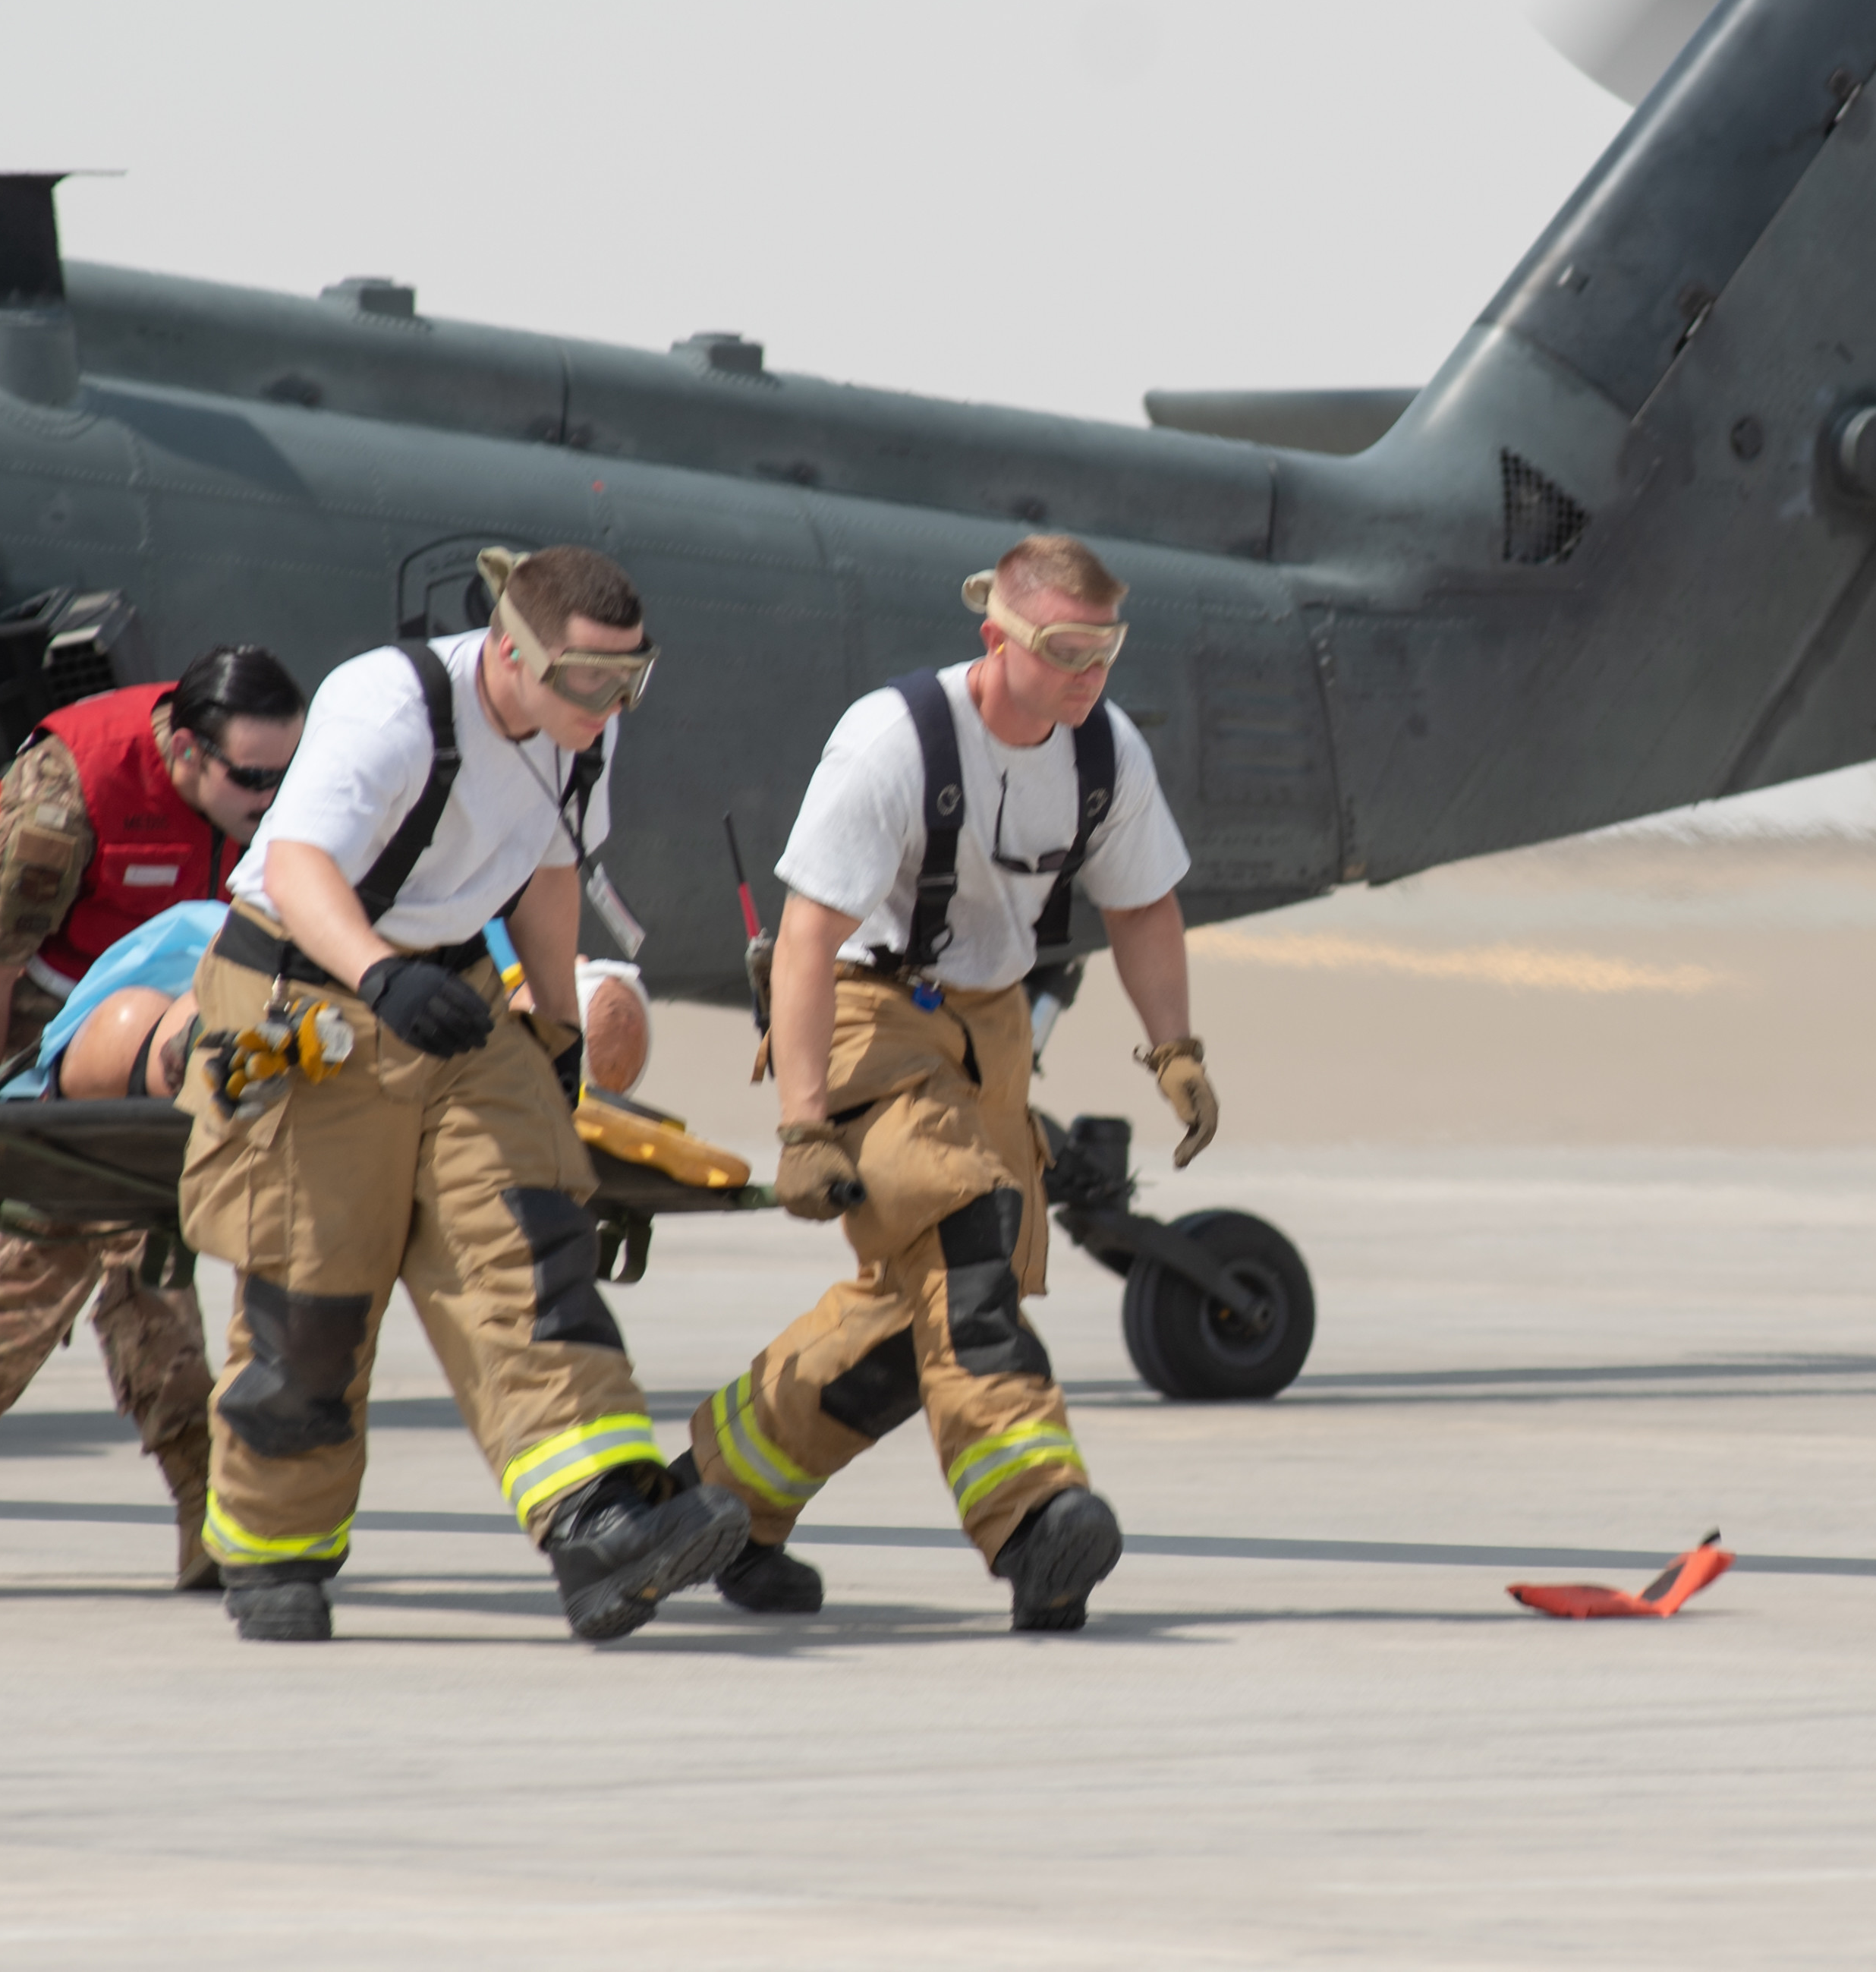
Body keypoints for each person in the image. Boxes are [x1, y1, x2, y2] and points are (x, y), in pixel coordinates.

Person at [175, 543, 748, 1643]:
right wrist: (378, 976)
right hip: (308, 995)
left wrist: (560, 1031)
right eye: (588, 678)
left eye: (629, 679)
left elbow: (547, 866)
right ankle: (271, 1549)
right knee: (312, 1299)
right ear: (510, 650)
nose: (609, 702)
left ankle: (598, 1522)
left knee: (530, 1249)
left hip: (457, 995)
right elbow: (297, 868)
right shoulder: (388, 706)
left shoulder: (585, 724)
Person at [690, 534, 1215, 1631]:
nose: (1088, 674)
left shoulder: (1103, 751)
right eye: (1064, 649)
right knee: (970, 1249)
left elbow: (1141, 905)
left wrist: (1174, 1048)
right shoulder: (893, 741)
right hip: (861, 1006)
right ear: (997, 637)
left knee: (918, 1313)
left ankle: (713, 1505)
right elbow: (804, 940)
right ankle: (1037, 1522)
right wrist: (802, 1124)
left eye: (1105, 651)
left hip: (989, 1024)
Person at [0, 648, 304, 1592]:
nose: (274, 798)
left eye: (288, 775)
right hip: (53, 1023)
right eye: (253, 779)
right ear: (185, 750)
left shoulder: (271, 790)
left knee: (127, 1251)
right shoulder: (66, 797)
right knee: (87, 1244)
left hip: (189, 1024)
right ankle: (192, 1503)